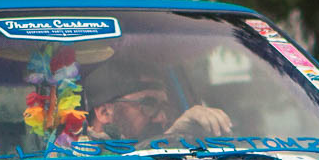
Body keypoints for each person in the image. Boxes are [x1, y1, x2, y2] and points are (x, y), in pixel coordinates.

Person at [83, 59, 231, 143]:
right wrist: (174, 134)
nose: (162, 118)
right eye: (148, 104)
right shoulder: (71, 159)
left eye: (164, 107)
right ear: (104, 112)